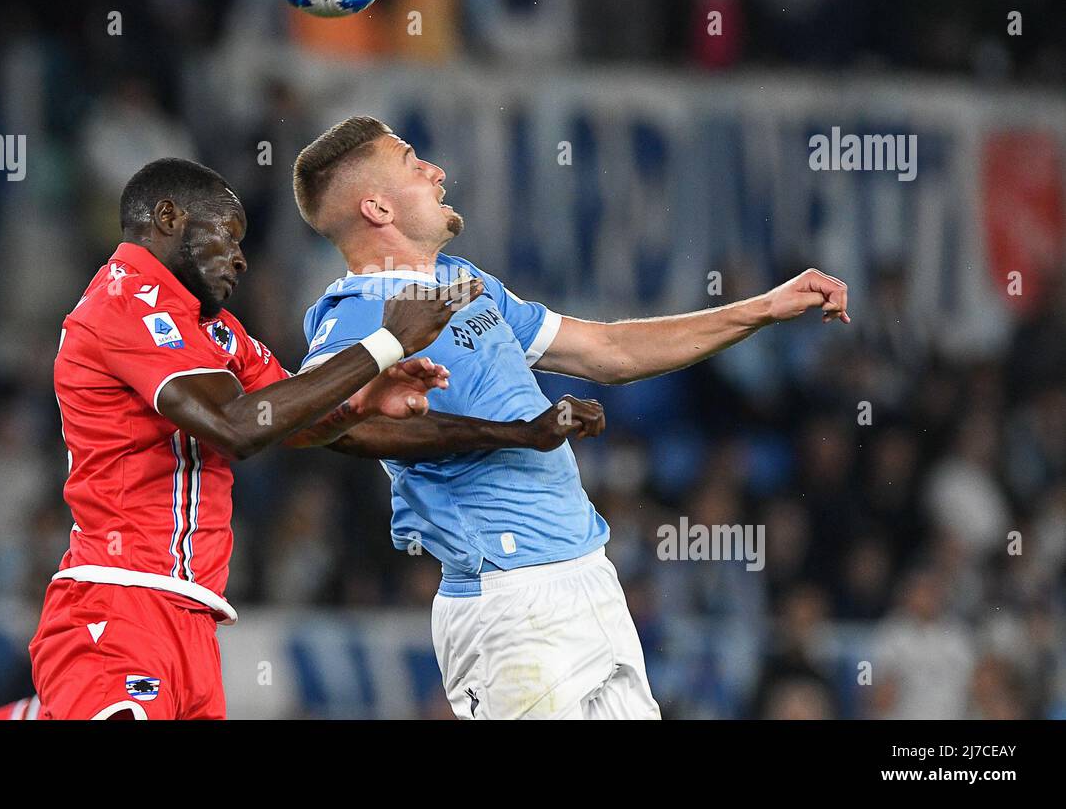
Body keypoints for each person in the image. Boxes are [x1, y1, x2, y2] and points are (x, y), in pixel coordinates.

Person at [292, 116, 852, 719]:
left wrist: (762, 309)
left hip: (587, 573)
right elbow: (311, 417)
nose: (436, 171)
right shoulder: (353, 313)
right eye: (412, 162)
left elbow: (607, 351)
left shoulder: (462, 282)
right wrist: (507, 436)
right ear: (375, 206)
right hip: (508, 595)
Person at [29, 157, 481, 719]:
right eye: (227, 235)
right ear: (169, 218)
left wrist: (360, 400)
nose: (241, 257)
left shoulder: (212, 327)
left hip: (189, 620)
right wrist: (386, 342)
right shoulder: (122, 304)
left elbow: (288, 420)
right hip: (116, 607)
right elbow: (237, 428)